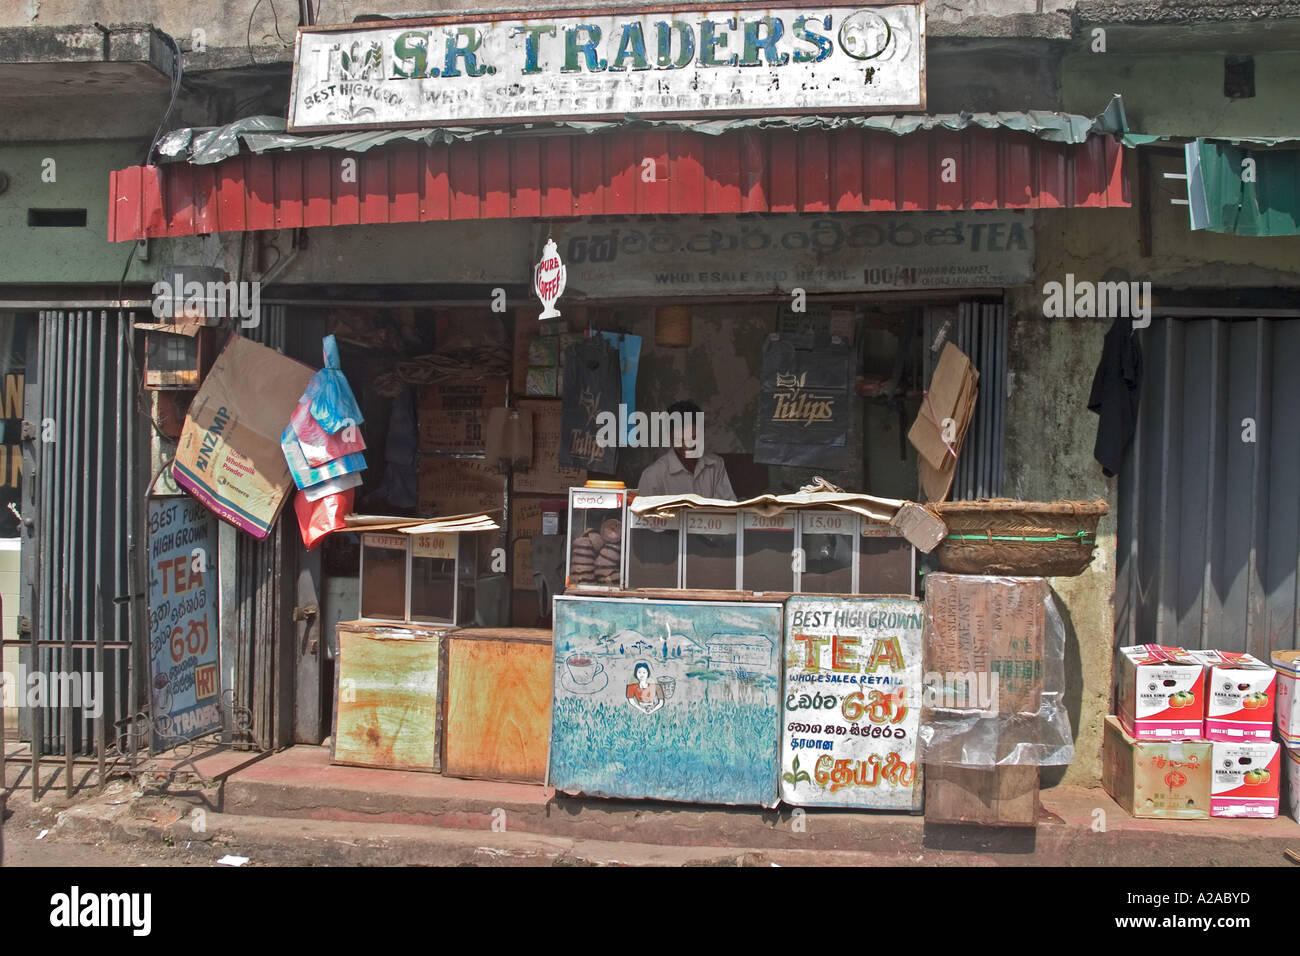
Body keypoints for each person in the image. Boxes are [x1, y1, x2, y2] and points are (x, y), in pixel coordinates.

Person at [635, 400, 736, 500]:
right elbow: (644, 515)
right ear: (669, 437)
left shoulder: (716, 465)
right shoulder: (653, 476)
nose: (688, 446)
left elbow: (728, 509)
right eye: (680, 440)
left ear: (702, 432)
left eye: (693, 438)